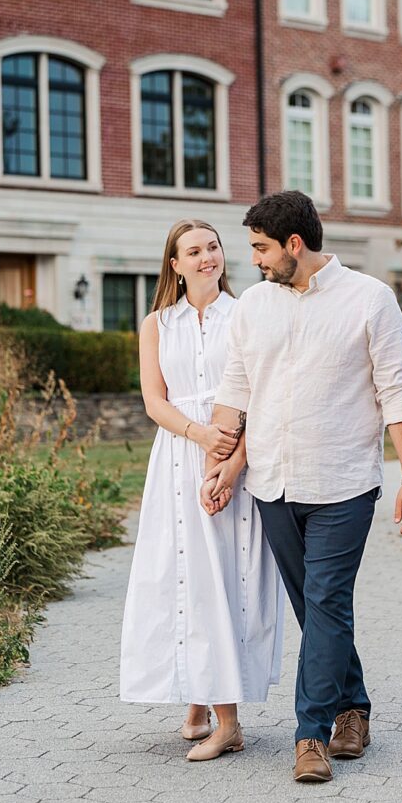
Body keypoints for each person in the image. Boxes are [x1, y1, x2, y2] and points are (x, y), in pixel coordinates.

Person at [208, 190, 402, 786]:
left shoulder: (370, 300)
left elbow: (397, 395)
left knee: (327, 604)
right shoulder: (253, 306)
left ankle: (311, 735)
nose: (252, 259)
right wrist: (222, 462)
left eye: (260, 248)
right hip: (272, 483)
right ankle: (354, 707)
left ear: (294, 246)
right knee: (316, 609)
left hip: (343, 484)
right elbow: (236, 390)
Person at [118, 219, 283, 761]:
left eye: (213, 247)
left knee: (222, 582)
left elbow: (264, 397)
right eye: (194, 251)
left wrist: (230, 458)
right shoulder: (157, 324)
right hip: (177, 457)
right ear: (175, 264)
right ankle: (196, 699)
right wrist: (199, 435)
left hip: (236, 456)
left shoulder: (247, 314)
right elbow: (154, 401)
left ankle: (228, 720)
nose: (207, 257)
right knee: (180, 578)